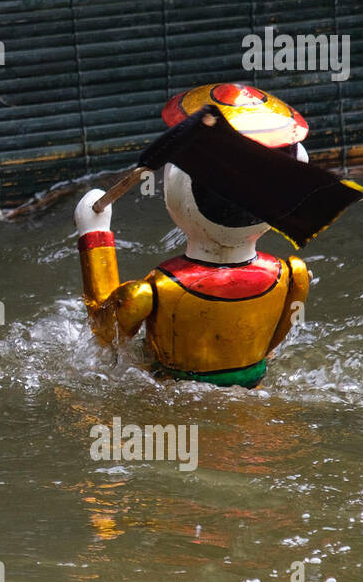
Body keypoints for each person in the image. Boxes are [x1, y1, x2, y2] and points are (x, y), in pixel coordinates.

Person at [73, 83, 312, 387]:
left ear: (176, 183)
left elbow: (105, 334)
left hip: (172, 401)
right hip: (257, 400)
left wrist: (94, 234)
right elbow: (273, 346)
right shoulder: (291, 276)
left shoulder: (154, 291)